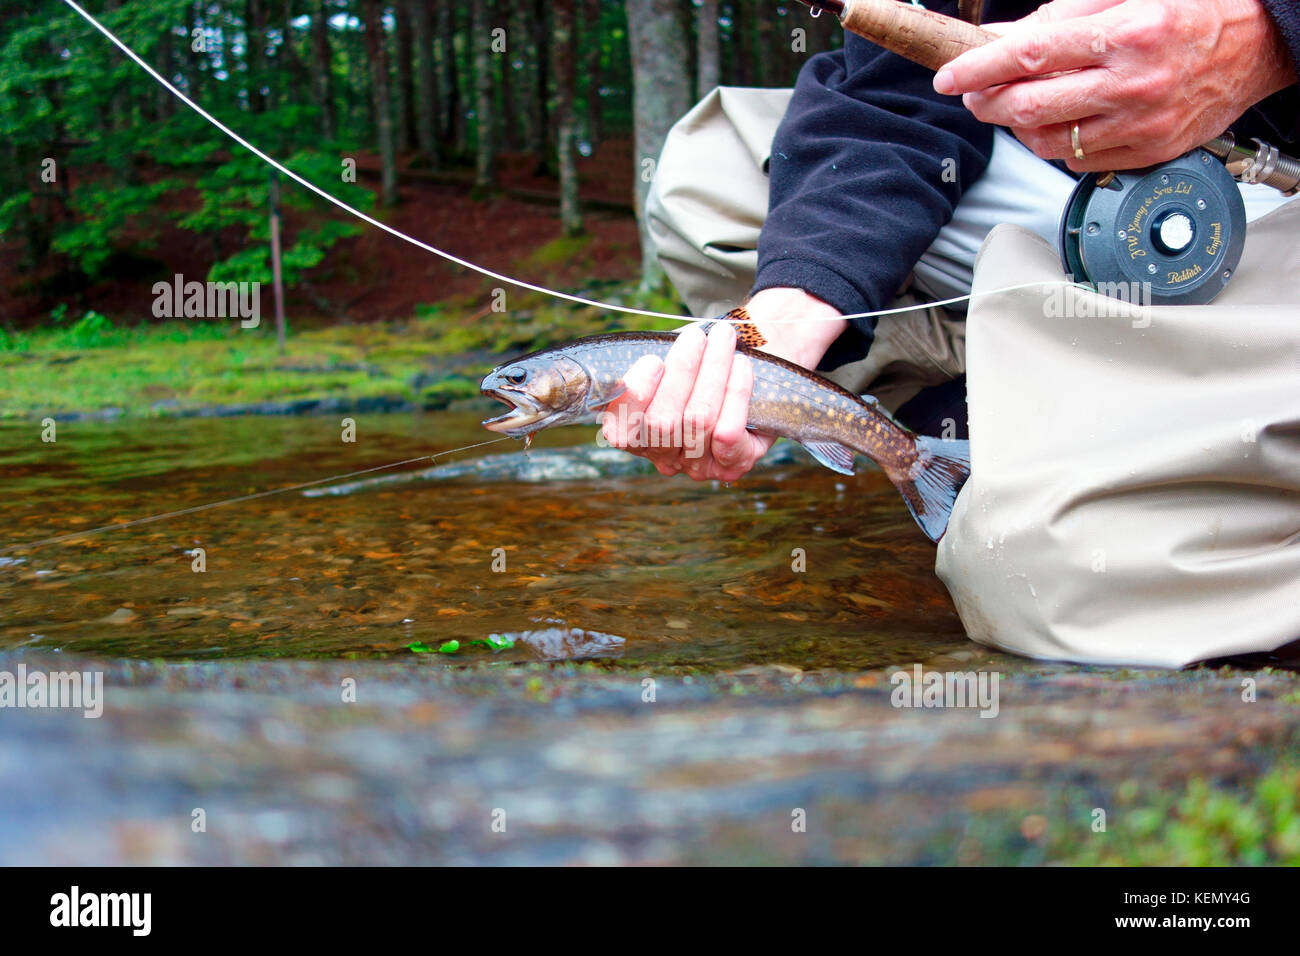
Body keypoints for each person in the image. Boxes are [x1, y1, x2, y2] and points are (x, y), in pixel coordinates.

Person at [607, 0, 1300, 483]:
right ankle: (969, 411)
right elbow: (895, 98)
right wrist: (782, 321)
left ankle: (1087, 439)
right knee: (711, 168)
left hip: (1266, 211)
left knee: (1044, 584)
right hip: (1074, 192)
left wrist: (1267, 35)